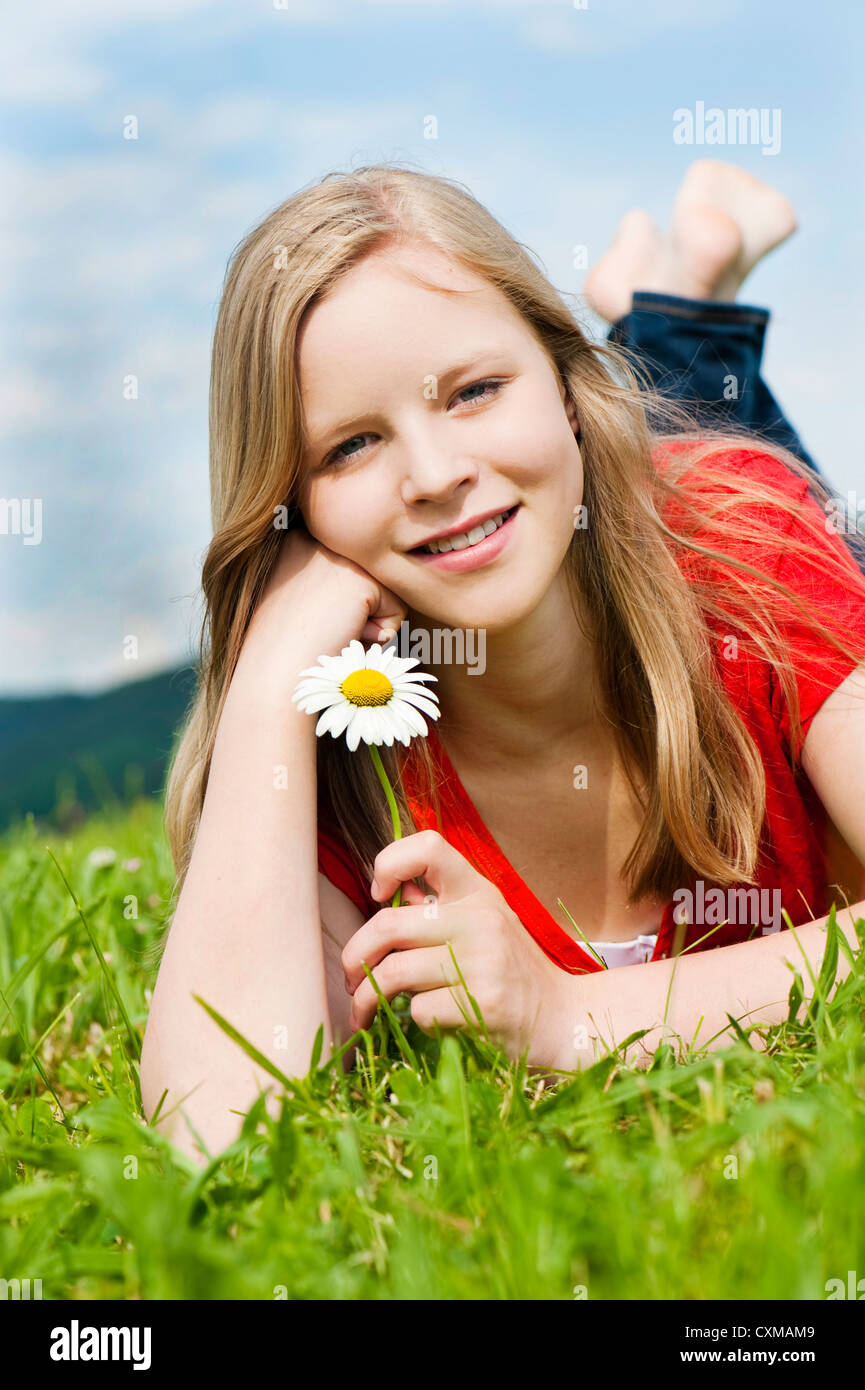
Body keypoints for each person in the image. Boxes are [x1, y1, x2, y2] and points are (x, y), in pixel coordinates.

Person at [141, 160, 865, 1165]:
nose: (436, 475)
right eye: (351, 445)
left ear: (567, 386)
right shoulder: (345, 765)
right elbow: (212, 1138)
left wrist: (576, 1014)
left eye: (476, 390)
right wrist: (268, 684)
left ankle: (677, 305)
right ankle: (676, 297)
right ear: (290, 511)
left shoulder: (750, 555)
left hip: (695, 521)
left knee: (716, 442)